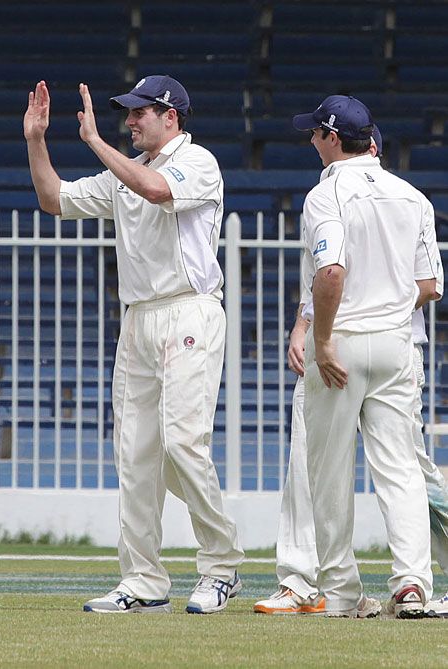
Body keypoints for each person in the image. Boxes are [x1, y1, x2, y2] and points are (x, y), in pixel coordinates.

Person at [24, 75, 244, 614]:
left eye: (140, 112)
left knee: (182, 443)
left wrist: (96, 142)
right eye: (127, 113)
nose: (130, 121)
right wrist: (36, 140)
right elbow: (55, 199)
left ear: (171, 116)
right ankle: (143, 580)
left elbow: (157, 191)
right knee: (136, 454)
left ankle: (221, 567)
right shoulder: (125, 174)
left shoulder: (199, 163)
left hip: (188, 310)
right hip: (139, 318)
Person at [255, 127, 448, 618]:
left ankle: (340, 593)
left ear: (332, 137)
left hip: (343, 341)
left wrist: (321, 339)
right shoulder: (413, 196)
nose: (311, 141)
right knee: (402, 469)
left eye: (315, 133)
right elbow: (429, 285)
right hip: (397, 343)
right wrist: (388, 306)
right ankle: (412, 586)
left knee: (329, 471)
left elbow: (331, 272)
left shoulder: (327, 192)